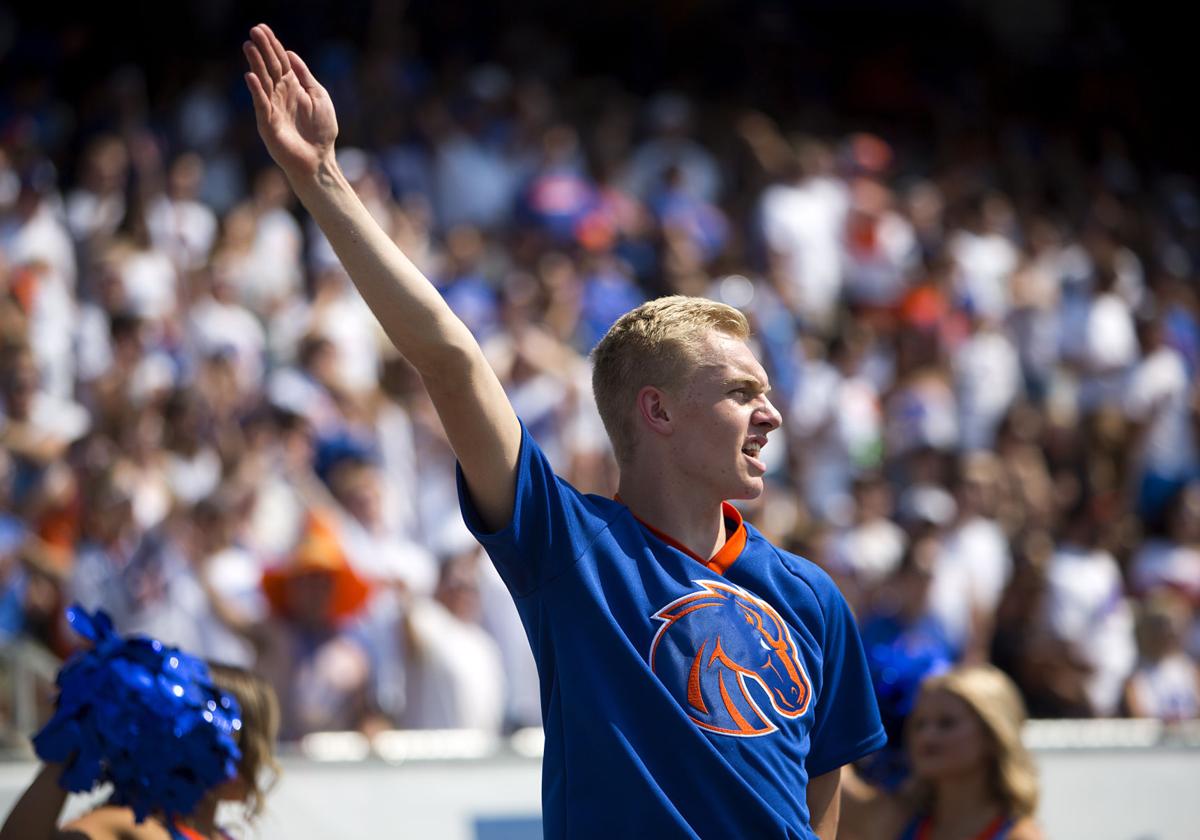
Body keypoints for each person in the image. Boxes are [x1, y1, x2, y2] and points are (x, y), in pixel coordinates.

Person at [242, 23, 884, 837]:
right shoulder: (569, 549)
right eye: (739, 393)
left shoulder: (811, 597)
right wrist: (323, 175)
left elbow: (816, 815)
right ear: (656, 411)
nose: (772, 414)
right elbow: (450, 359)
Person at [0, 647, 280, 840]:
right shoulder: (131, 825)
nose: (266, 762)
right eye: (254, 745)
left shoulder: (216, 833)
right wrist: (73, 741)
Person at [840, 665, 1042, 840]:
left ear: (993, 735)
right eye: (919, 724)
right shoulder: (897, 820)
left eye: (946, 723)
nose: (926, 737)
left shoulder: (1018, 836)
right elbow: (832, 766)